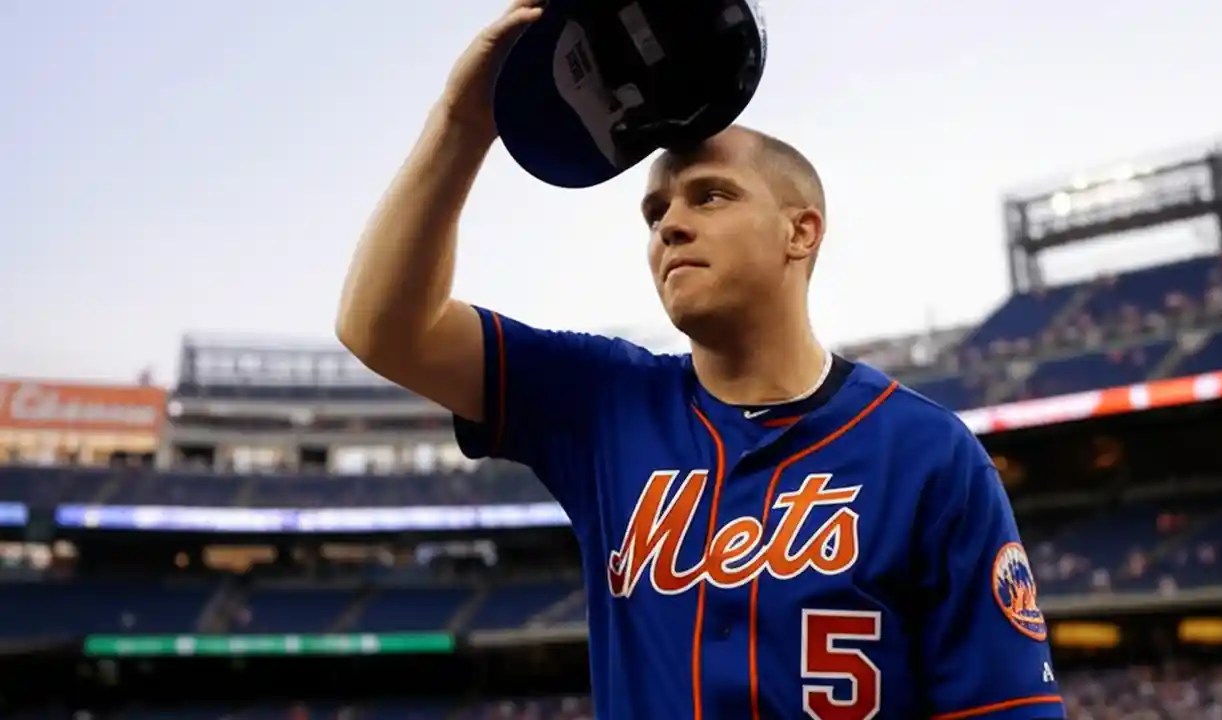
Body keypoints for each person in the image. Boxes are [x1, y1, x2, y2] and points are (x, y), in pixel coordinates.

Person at [337, 2, 1065, 718]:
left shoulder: (929, 454)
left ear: (800, 232)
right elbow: (383, 329)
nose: (671, 226)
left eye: (709, 196)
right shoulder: (603, 401)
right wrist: (464, 124)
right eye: (655, 215)